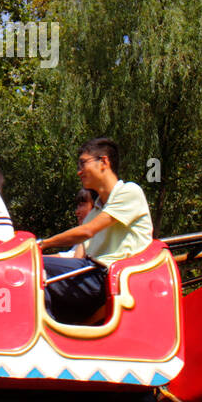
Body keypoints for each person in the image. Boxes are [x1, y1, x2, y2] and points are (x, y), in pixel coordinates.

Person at [37, 139, 152, 324]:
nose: (79, 171)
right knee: (33, 271)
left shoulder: (130, 191)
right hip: (90, 274)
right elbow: (78, 256)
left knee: (36, 266)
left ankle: (46, 334)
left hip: (112, 278)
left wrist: (41, 245)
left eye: (83, 163)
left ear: (104, 162)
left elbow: (88, 231)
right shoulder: (96, 212)